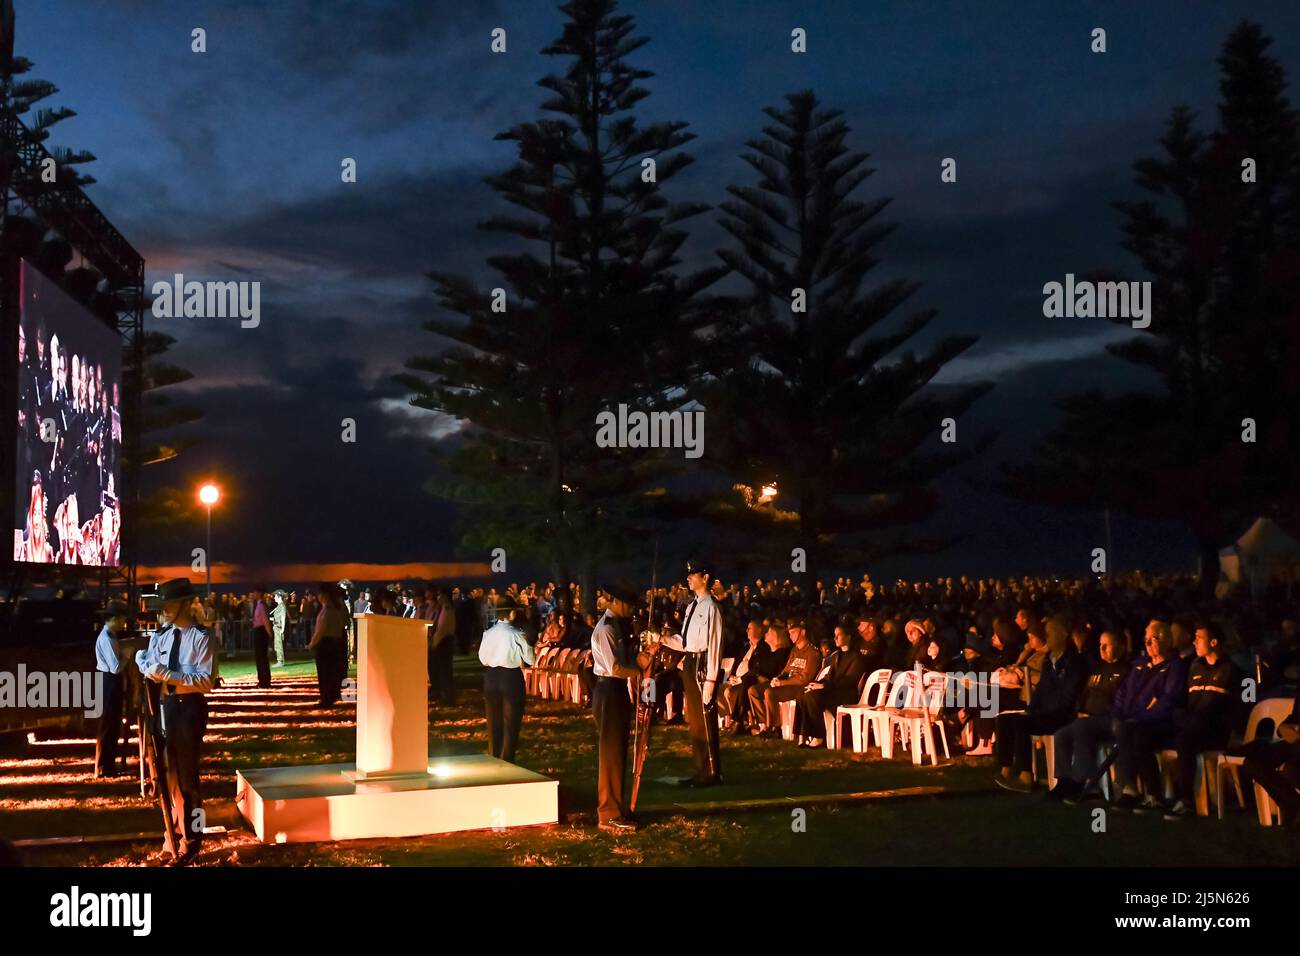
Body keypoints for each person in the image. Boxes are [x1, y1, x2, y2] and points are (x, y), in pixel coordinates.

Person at [134, 578, 213, 866]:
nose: (163, 610)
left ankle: (192, 841)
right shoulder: (163, 635)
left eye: (168, 604)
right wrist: (144, 663)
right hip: (165, 706)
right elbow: (149, 663)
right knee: (166, 775)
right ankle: (172, 836)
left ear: (184, 604)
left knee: (187, 778)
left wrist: (166, 674)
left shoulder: (201, 637)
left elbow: (205, 681)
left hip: (188, 708)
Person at [658, 558, 724, 786]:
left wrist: (712, 679)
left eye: (693, 574)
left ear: (705, 577)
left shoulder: (712, 607)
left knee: (704, 719)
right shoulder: (692, 606)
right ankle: (701, 769)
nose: (688, 578)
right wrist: (661, 639)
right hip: (690, 661)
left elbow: (714, 643)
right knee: (695, 720)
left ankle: (711, 772)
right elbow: (685, 642)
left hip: (703, 664)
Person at [1110, 620, 1188, 813]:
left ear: (1167, 640)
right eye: (1146, 640)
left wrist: (1139, 717)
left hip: (1160, 723)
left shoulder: (1175, 667)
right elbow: (1122, 692)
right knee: (1124, 729)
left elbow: (1168, 700)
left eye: (1153, 639)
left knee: (1137, 735)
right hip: (1130, 720)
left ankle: (1146, 793)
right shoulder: (1140, 665)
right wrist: (1120, 714)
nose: (1148, 644)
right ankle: (1131, 788)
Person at [1165, 624, 1241, 819]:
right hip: (1191, 725)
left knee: (1184, 739)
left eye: (1199, 637)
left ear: (1214, 642)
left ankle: (1186, 800)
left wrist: (1236, 731)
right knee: (1161, 727)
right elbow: (1185, 701)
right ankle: (1155, 794)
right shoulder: (1195, 666)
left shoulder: (1232, 671)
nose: (1194, 641)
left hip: (1215, 730)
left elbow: (1240, 707)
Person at [590, 584, 644, 833]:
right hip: (610, 688)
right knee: (611, 754)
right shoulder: (607, 629)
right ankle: (608, 813)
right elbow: (615, 668)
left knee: (618, 751)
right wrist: (639, 669)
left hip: (615, 690)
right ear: (618, 602)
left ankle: (615, 808)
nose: (631, 609)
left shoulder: (615, 627)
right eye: (629, 604)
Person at [1049, 631, 1126, 803]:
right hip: (1087, 718)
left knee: (1082, 727)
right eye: (1100, 644)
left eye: (1108, 644)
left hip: (1108, 720)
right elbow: (1084, 694)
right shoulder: (1098, 670)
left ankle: (1083, 782)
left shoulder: (1125, 671)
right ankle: (1064, 781)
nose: (1103, 648)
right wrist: (1079, 710)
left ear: (1120, 647)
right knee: (1061, 734)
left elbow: (1120, 702)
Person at [478, 598, 534, 763]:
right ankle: (507, 759)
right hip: (511, 677)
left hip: (491, 677)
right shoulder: (517, 634)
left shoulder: (488, 633)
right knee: (510, 723)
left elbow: (483, 658)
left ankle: (494, 756)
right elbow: (530, 659)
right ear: (512, 612)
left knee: (493, 721)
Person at [750, 617, 821, 739]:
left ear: (803, 632)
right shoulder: (794, 651)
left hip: (798, 687)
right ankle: (763, 724)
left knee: (770, 693)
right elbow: (786, 670)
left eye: (793, 632)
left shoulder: (812, 652)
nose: (791, 636)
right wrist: (777, 679)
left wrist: (782, 683)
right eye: (789, 633)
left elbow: (804, 679)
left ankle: (773, 727)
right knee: (753, 691)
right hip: (786, 683)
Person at [800, 624, 868, 748]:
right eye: (834, 635)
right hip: (833, 690)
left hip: (846, 694)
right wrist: (817, 684)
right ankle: (804, 735)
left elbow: (849, 681)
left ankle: (819, 736)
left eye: (839, 635)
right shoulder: (836, 656)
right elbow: (829, 677)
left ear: (848, 637)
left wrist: (823, 687)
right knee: (804, 693)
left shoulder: (856, 657)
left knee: (813, 697)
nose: (835, 638)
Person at [93, 600, 131, 778]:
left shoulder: (110, 635)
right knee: (109, 724)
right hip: (109, 680)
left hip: (108, 681)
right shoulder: (107, 638)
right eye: (123, 619)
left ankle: (107, 765)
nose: (124, 623)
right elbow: (115, 667)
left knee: (112, 723)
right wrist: (126, 656)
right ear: (115, 618)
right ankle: (104, 766)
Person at [307, 583, 349, 706]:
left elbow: (320, 631)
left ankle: (326, 698)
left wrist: (312, 644)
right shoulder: (333, 609)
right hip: (332, 642)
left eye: (319, 594)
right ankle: (330, 696)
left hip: (326, 644)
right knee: (330, 673)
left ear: (324, 595)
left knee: (325, 673)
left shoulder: (327, 610)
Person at [428, 588, 457, 705]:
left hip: (444, 643)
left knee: (445, 671)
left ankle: (448, 698)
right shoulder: (443, 609)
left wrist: (434, 643)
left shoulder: (447, 609)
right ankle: (445, 696)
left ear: (445, 596)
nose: (438, 598)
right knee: (442, 671)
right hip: (443, 642)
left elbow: (442, 629)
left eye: (440, 595)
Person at [250, 585, 273, 688]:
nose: (253, 594)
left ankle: (264, 681)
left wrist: (270, 635)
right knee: (260, 657)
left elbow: (266, 622)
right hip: (259, 632)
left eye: (255, 592)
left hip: (261, 632)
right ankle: (263, 680)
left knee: (261, 657)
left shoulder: (261, 605)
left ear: (259, 593)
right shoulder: (259, 605)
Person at [271, 590, 288, 667]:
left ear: (278, 596)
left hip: (279, 627)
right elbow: (277, 618)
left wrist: (282, 630)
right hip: (276, 626)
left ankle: (280, 661)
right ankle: (280, 661)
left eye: (275, 596)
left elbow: (283, 618)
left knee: (279, 644)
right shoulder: (279, 606)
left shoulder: (282, 606)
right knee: (276, 645)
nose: (274, 598)